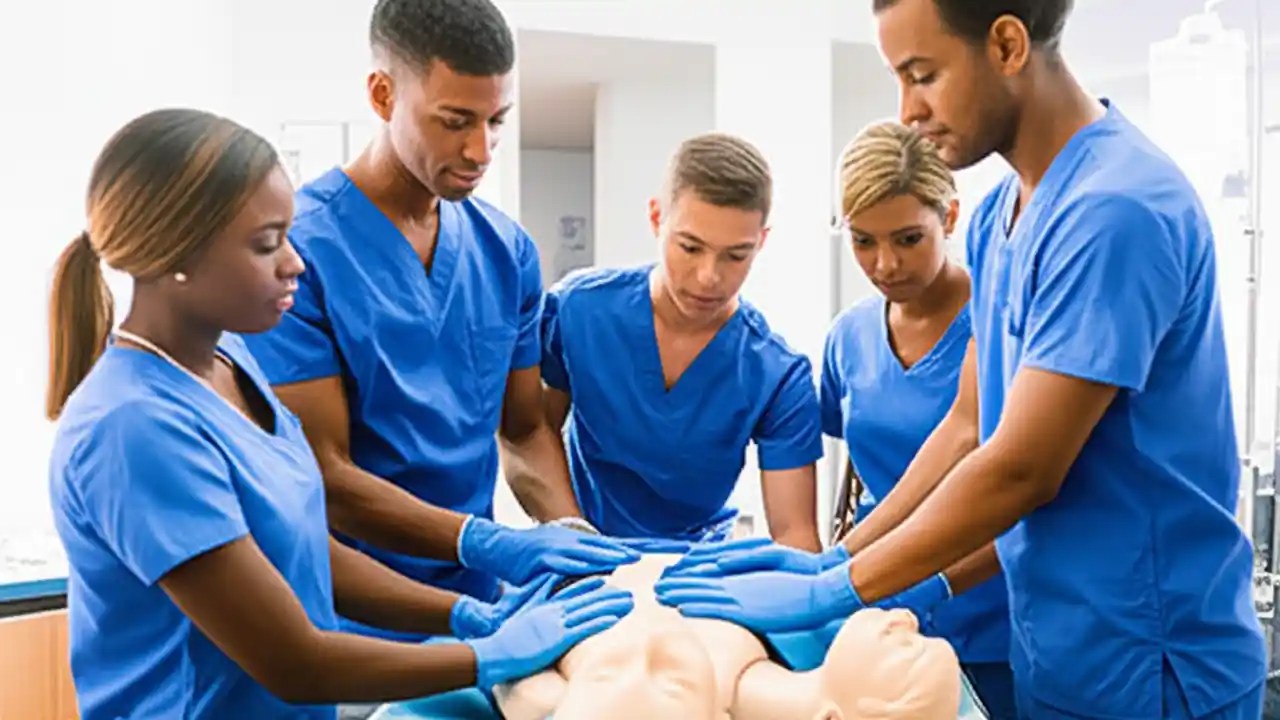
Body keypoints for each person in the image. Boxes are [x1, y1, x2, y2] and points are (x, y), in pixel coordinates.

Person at [654, 1, 1268, 718]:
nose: (907, 110)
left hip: (1151, 660)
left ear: (1007, 43)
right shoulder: (1000, 215)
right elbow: (968, 426)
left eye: (922, 76)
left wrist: (837, 591)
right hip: (1056, 652)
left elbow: (1021, 468)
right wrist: (836, 560)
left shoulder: (1115, 210)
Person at [45, 108, 635, 720]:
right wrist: (487, 654)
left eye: (289, 238)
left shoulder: (232, 363)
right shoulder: (133, 427)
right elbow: (293, 661)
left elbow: (302, 550)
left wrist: (464, 612)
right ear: (177, 256)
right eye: (266, 244)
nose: (294, 263)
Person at [241, 0, 592, 641]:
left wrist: (572, 540)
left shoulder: (506, 251)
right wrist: (482, 541)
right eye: (455, 121)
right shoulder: (297, 253)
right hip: (351, 623)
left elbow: (522, 430)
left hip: (486, 618)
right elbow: (326, 475)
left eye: (496, 121)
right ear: (382, 94)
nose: (479, 148)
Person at [540, 133, 823, 549]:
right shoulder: (577, 312)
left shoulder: (778, 373)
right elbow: (528, 434)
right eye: (690, 247)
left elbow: (795, 534)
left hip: (698, 569)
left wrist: (810, 602)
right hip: (580, 552)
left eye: (736, 255)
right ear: (657, 219)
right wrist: (571, 535)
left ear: (761, 241)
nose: (709, 276)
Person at [821, 121, 1014, 716]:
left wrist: (929, 579)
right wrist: (832, 570)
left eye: (908, 238)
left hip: (994, 621)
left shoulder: (1001, 319)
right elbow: (854, 472)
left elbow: (1023, 479)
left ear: (950, 219)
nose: (885, 264)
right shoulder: (849, 337)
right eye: (863, 241)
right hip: (878, 621)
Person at [492, 553, 965, 720]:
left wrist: (504, 664)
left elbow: (521, 692)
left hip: (553, 589)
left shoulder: (659, 677)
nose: (903, 618)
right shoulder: (804, 632)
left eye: (905, 653)